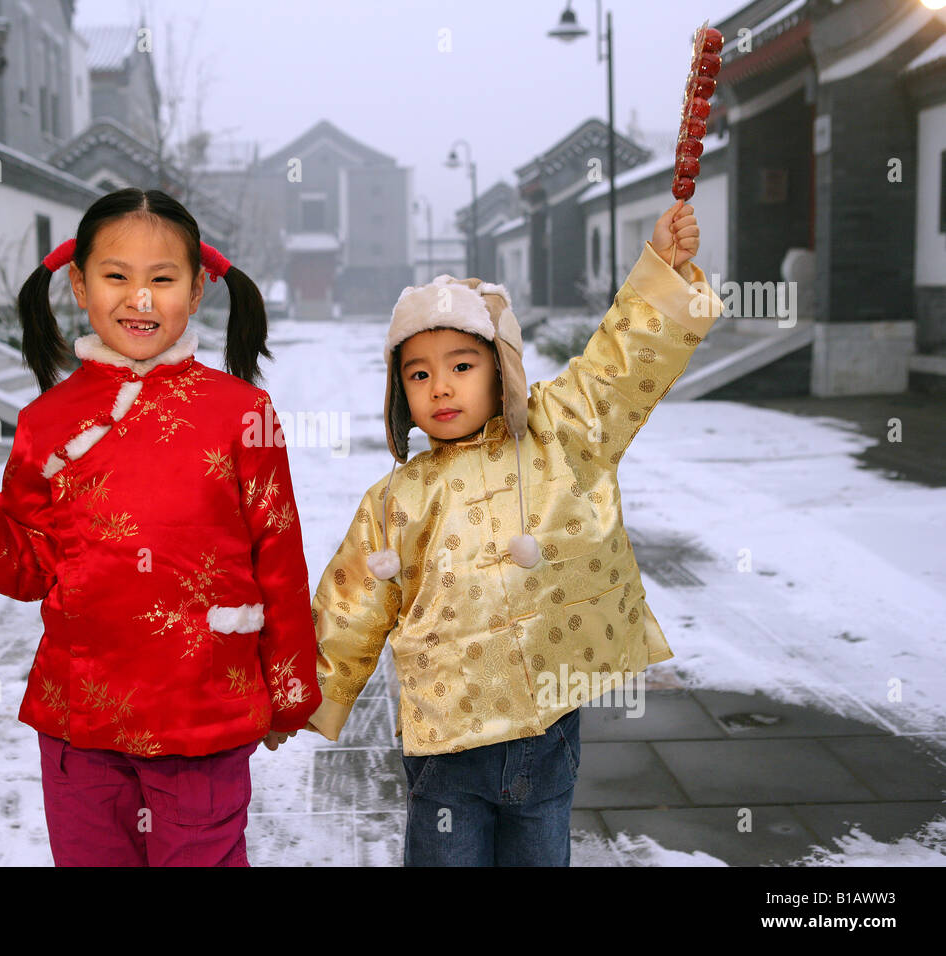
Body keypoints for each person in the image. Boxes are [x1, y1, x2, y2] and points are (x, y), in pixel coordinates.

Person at [288, 200, 723, 866]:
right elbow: (347, 609)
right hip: (445, 751)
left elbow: (619, 365)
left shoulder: (561, 434)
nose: (441, 387)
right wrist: (293, 699)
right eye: (419, 372)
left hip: (546, 735)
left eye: (462, 365)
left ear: (502, 368)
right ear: (401, 392)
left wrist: (662, 267)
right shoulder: (396, 499)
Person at [0, 188, 321, 866]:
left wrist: (288, 690)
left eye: (162, 279)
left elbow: (278, 554)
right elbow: (29, 565)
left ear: (195, 293)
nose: (140, 298)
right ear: (78, 284)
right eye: (116, 276)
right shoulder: (48, 419)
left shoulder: (242, 411)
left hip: (203, 713)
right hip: (80, 719)